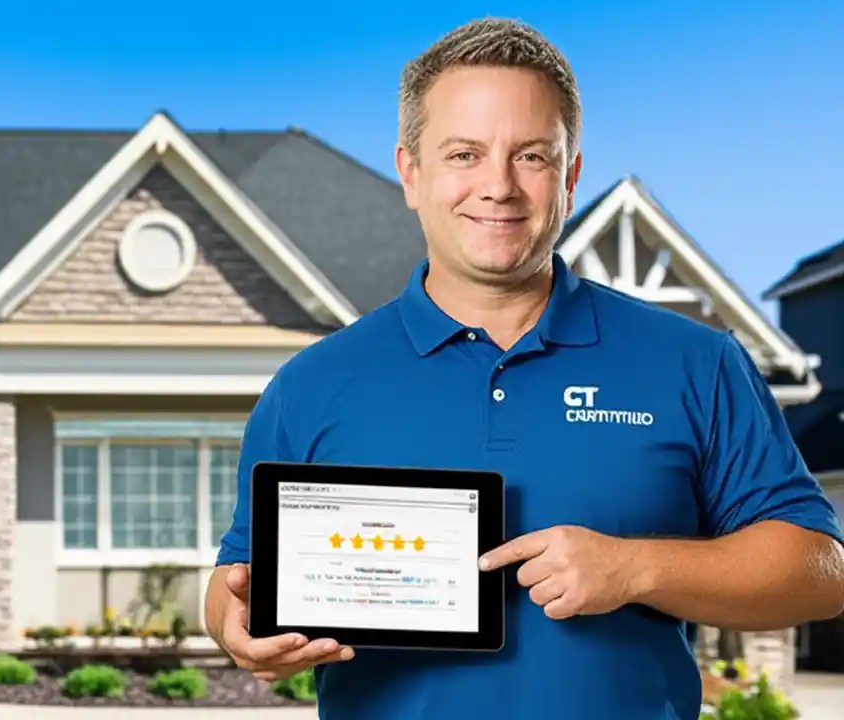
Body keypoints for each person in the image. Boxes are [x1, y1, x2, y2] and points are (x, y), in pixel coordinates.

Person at [204, 16, 844, 719]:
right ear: (411, 173)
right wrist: (230, 623)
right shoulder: (312, 386)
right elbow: (237, 578)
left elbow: (822, 572)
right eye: (464, 154)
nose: (499, 186)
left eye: (531, 156)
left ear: (569, 177)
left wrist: (635, 568)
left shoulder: (696, 363)